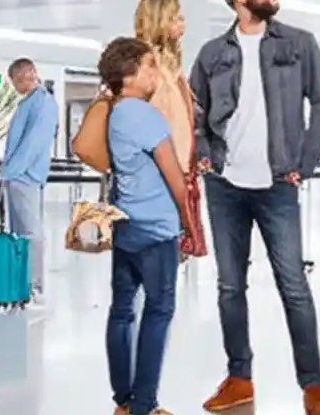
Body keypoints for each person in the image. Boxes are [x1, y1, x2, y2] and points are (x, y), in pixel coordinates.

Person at [190, 0, 320, 415]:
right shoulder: (213, 53)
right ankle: (239, 379)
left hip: (277, 184)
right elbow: (195, 115)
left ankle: (312, 387)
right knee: (230, 287)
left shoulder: (299, 43)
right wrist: (205, 157)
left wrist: (305, 161)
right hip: (225, 187)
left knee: (293, 284)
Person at [99, 37, 196, 415]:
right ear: (130, 74)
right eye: (149, 66)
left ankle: (124, 401)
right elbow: (174, 176)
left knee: (122, 309)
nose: (155, 73)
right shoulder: (144, 115)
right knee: (158, 310)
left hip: (127, 225)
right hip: (157, 228)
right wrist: (189, 224)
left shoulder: (116, 112)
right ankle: (145, 406)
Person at [135, 0, 207, 258]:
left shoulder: (172, 68)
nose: (182, 24)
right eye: (176, 18)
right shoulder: (144, 67)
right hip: (156, 179)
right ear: (159, 21)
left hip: (177, 174)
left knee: (171, 259)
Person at [0, 58, 59, 305]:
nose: (14, 87)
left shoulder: (44, 103)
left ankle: (34, 286)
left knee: (32, 233)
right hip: (17, 176)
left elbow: (33, 144)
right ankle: (21, 283)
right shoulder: (28, 103)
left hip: (24, 177)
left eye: (15, 81)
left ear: (26, 75)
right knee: (20, 234)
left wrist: (10, 171)